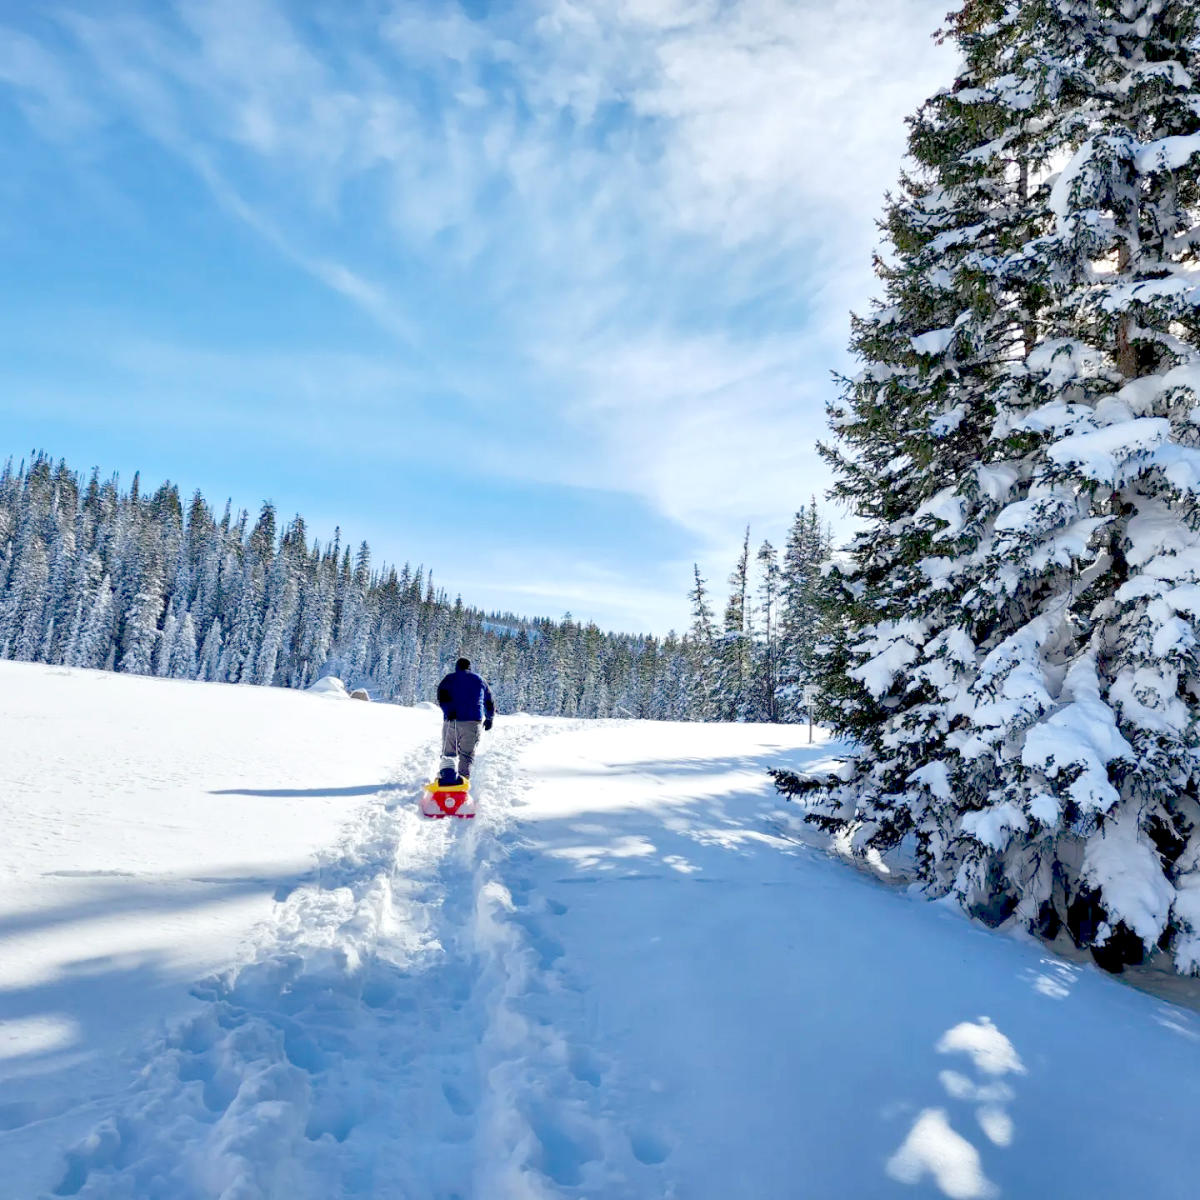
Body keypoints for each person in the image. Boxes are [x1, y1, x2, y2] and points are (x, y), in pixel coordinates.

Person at [436, 657, 495, 783]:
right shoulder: (479, 680)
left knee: (448, 753)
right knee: (466, 756)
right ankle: (462, 783)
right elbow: (489, 701)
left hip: (452, 721)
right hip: (473, 723)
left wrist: (448, 711)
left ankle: (447, 778)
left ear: (457, 667)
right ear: (469, 667)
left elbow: (441, 696)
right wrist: (489, 718)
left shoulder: (449, 678)